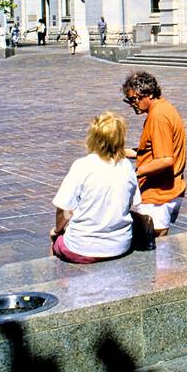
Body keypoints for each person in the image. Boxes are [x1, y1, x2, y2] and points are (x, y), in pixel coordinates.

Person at [50, 112, 140, 263]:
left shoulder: (83, 165)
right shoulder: (126, 166)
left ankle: (57, 281)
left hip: (81, 246)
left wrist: (57, 231)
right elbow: (131, 202)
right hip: (119, 244)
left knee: (56, 241)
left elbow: (64, 210)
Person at [122, 70, 186, 237]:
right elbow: (156, 149)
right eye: (128, 100)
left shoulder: (158, 117)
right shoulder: (164, 108)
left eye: (133, 99)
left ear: (148, 94)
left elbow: (165, 159)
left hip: (159, 193)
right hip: (164, 191)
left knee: (155, 248)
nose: (132, 104)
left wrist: (134, 173)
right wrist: (126, 152)